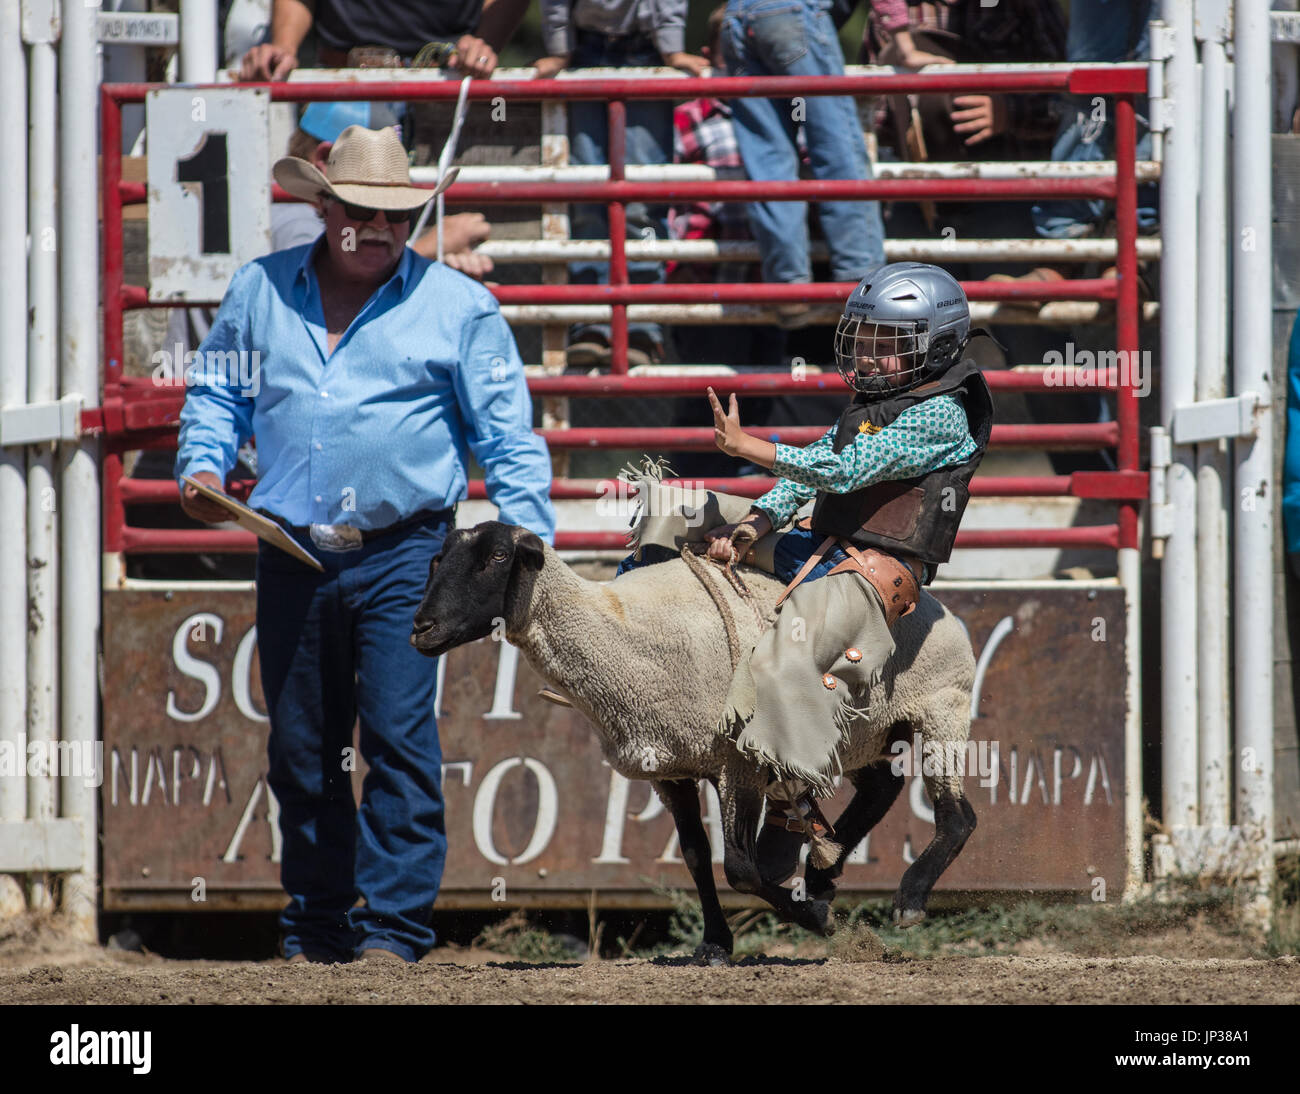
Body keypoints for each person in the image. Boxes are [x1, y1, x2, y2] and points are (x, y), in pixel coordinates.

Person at [174, 125, 556, 964]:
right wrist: (202, 466)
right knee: (302, 745)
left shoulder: (459, 307)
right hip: (291, 548)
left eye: (396, 213)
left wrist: (529, 544)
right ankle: (315, 925)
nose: (378, 228)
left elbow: (508, 438)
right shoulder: (259, 292)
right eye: (359, 211)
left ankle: (391, 932)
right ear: (324, 208)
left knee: (396, 735)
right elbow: (214, 395)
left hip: (407, 551)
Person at [619, 262, 992, 875]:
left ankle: (797, 801)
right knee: (672, 509)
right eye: (864, 342)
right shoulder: (874, 402)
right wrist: (757, 523)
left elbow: (844, 472)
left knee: (785, 657)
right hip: (819, 542)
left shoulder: (941, 415)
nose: (868, 358)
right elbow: (817, 461)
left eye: (887, 347)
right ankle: (639, 638)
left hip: (877, 571)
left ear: (938, 346)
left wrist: (747, 449)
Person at [534, 0, 708, 367]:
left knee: (642, 203)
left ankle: (642, 326)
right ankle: (590, 323)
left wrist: (671, 47)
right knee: (588, 198)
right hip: (584, 49)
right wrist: (561, 49)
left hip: (644, 47)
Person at [719, 0, 887, 328]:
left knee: (767, 161)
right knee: (838, 148)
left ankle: (788, 284)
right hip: (794, 13)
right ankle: (861, 282)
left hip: (735, 17)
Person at [239, 0, 529, 78]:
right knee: (344, 211)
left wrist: (483, 44)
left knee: (447, 216)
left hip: (449, 84)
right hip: (343, 88)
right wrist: (284, 46)